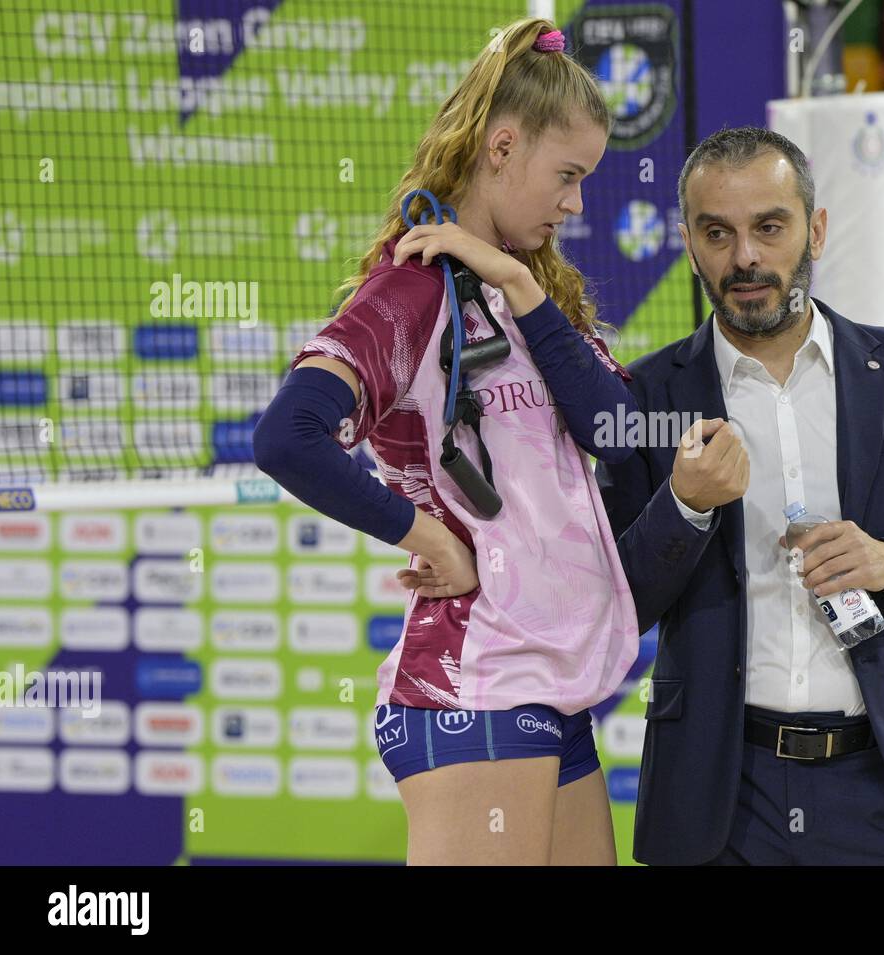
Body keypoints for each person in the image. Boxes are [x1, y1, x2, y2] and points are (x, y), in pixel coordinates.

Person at [252, 18, 639, 865]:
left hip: (544, 683)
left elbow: (622, 434)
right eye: (567, 176)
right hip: (473, 684)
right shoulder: (413, 286)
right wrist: (431, 538)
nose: (575, 203)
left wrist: (518, 286)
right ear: (503, 146)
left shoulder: (524, 286)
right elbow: (288, 434)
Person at [597, 126, 884, 865]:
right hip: (722, 797)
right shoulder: (645, 393)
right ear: (689, 244)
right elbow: (615, 601)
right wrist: (685, 506)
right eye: (717, 233)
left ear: (815, 229)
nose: (746, 258)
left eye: (769, 226)